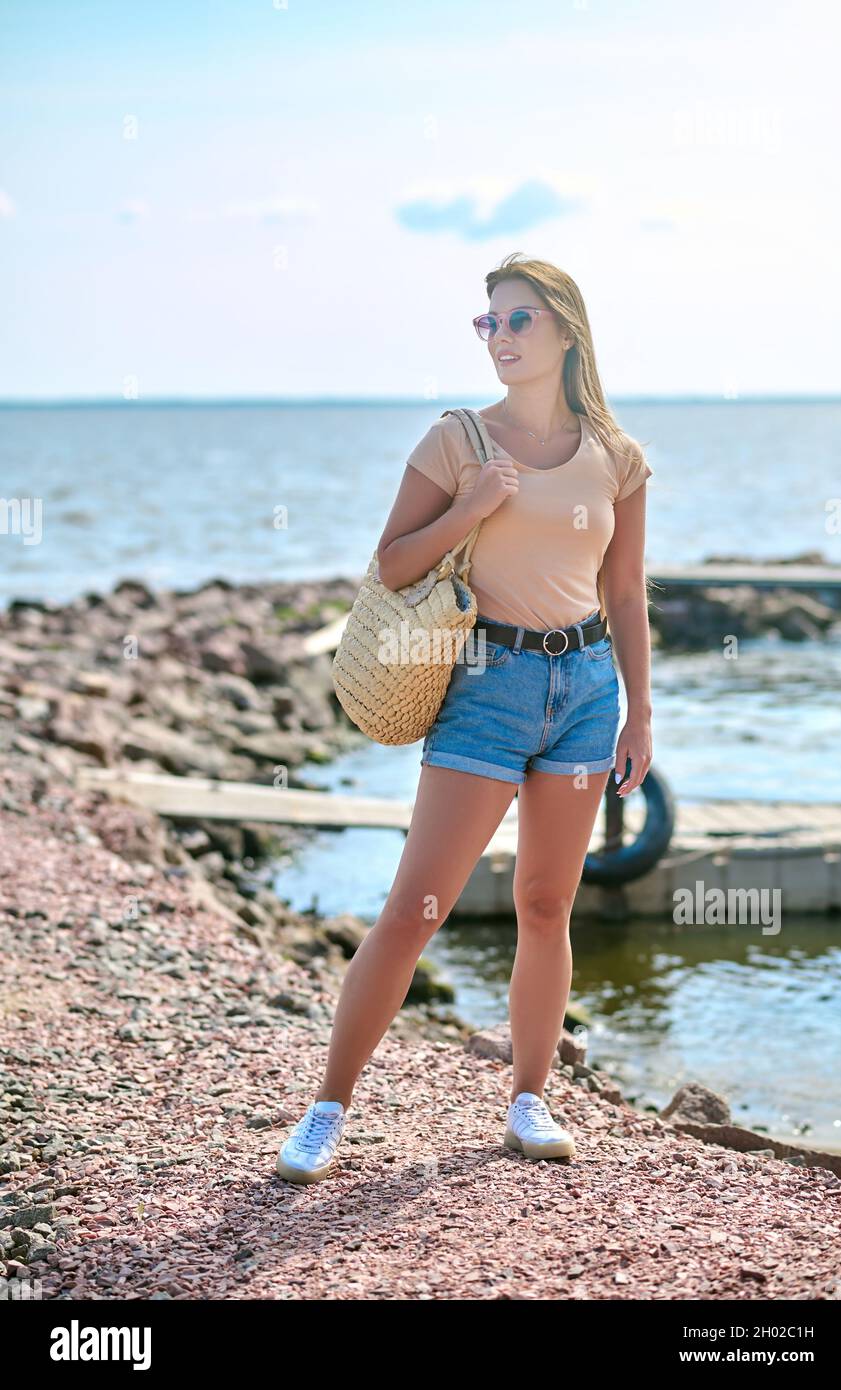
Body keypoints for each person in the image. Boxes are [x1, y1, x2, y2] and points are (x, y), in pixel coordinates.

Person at [276, 251, 654, 1184]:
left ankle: (530, 1097)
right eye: (489, 322)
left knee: (544, 903)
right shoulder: (456, 442)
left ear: (565, 327)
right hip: (486, 686)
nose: (501, 337)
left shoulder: (617, 455)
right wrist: (474, 508)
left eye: (519, 319)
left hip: (585, 693)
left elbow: (628, 593)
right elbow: (395, 562)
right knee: (415, 907)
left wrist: (640, 712)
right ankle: (327, 1110)